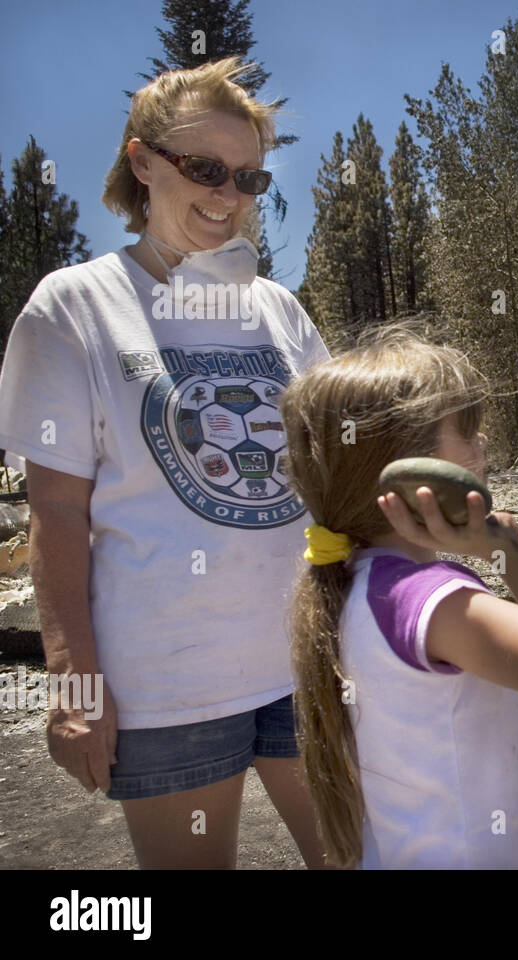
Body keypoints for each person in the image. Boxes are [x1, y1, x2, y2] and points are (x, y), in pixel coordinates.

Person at [0, 58, 333, 868]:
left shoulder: (277, 309)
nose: (228, 195)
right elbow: (57, 513)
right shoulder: (74, 306)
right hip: (164, 687)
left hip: (304, 664)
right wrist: (73, 682)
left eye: (248, 176)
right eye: (205, 169)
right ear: (142, 160)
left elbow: (331, 479)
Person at [278, 328, 518, 869]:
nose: (483, 445)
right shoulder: (437, 601)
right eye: (467, 433)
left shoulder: (350, 581)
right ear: (412, 476)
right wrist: (512, 549)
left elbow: (405, 741)